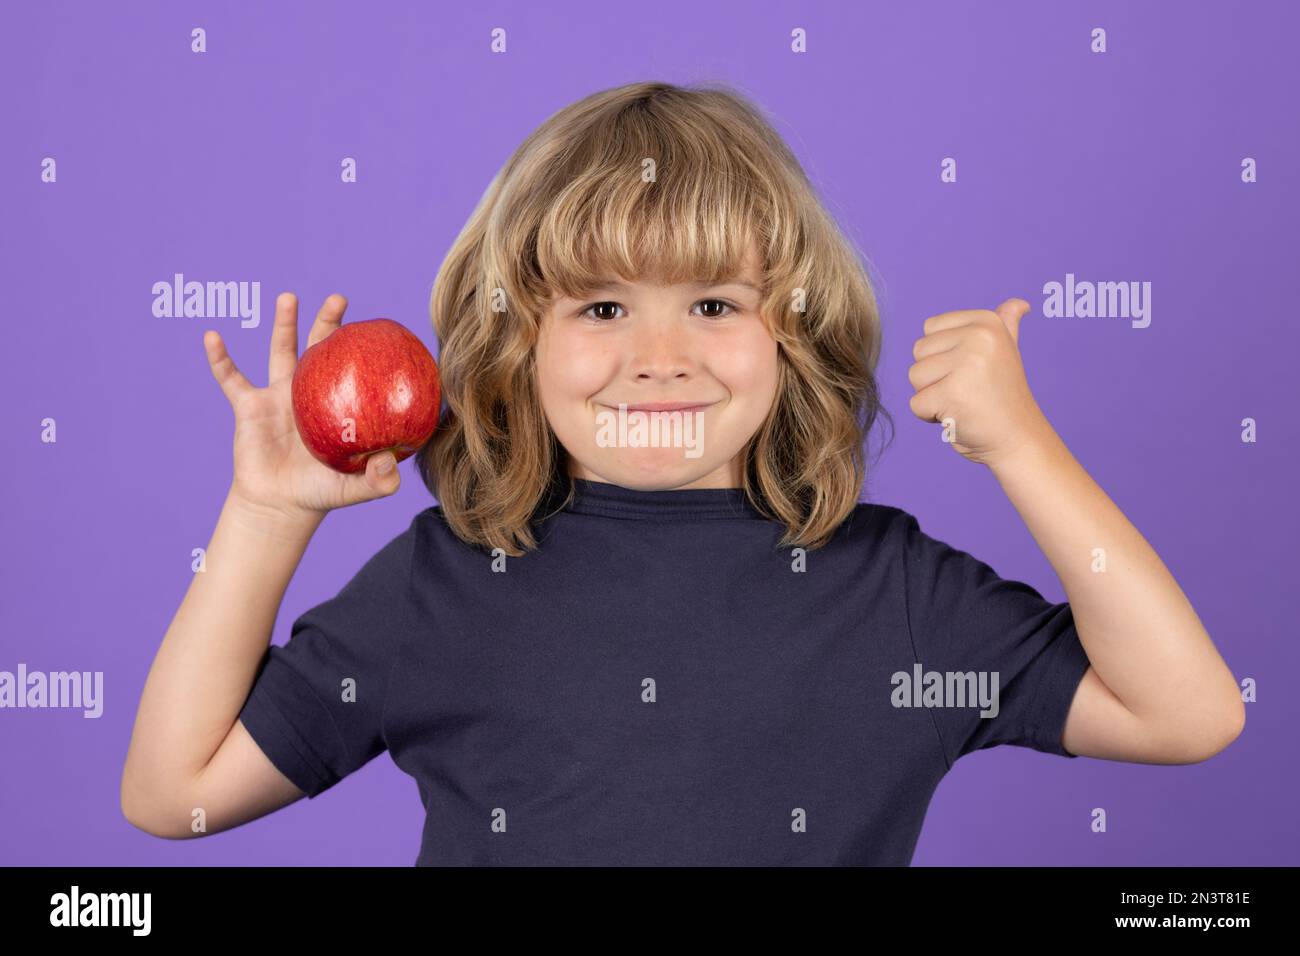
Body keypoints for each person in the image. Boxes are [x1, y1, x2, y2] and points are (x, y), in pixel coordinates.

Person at [120, 81, 1244, 865]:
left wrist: (1022, 446)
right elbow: (177, 795)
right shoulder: (447, 582)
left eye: (713, 305)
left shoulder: (894, 594)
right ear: (517, 341)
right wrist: (266, 512)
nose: (659, 357)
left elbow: (1184, 711)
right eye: (602, 307)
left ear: (791, 336)